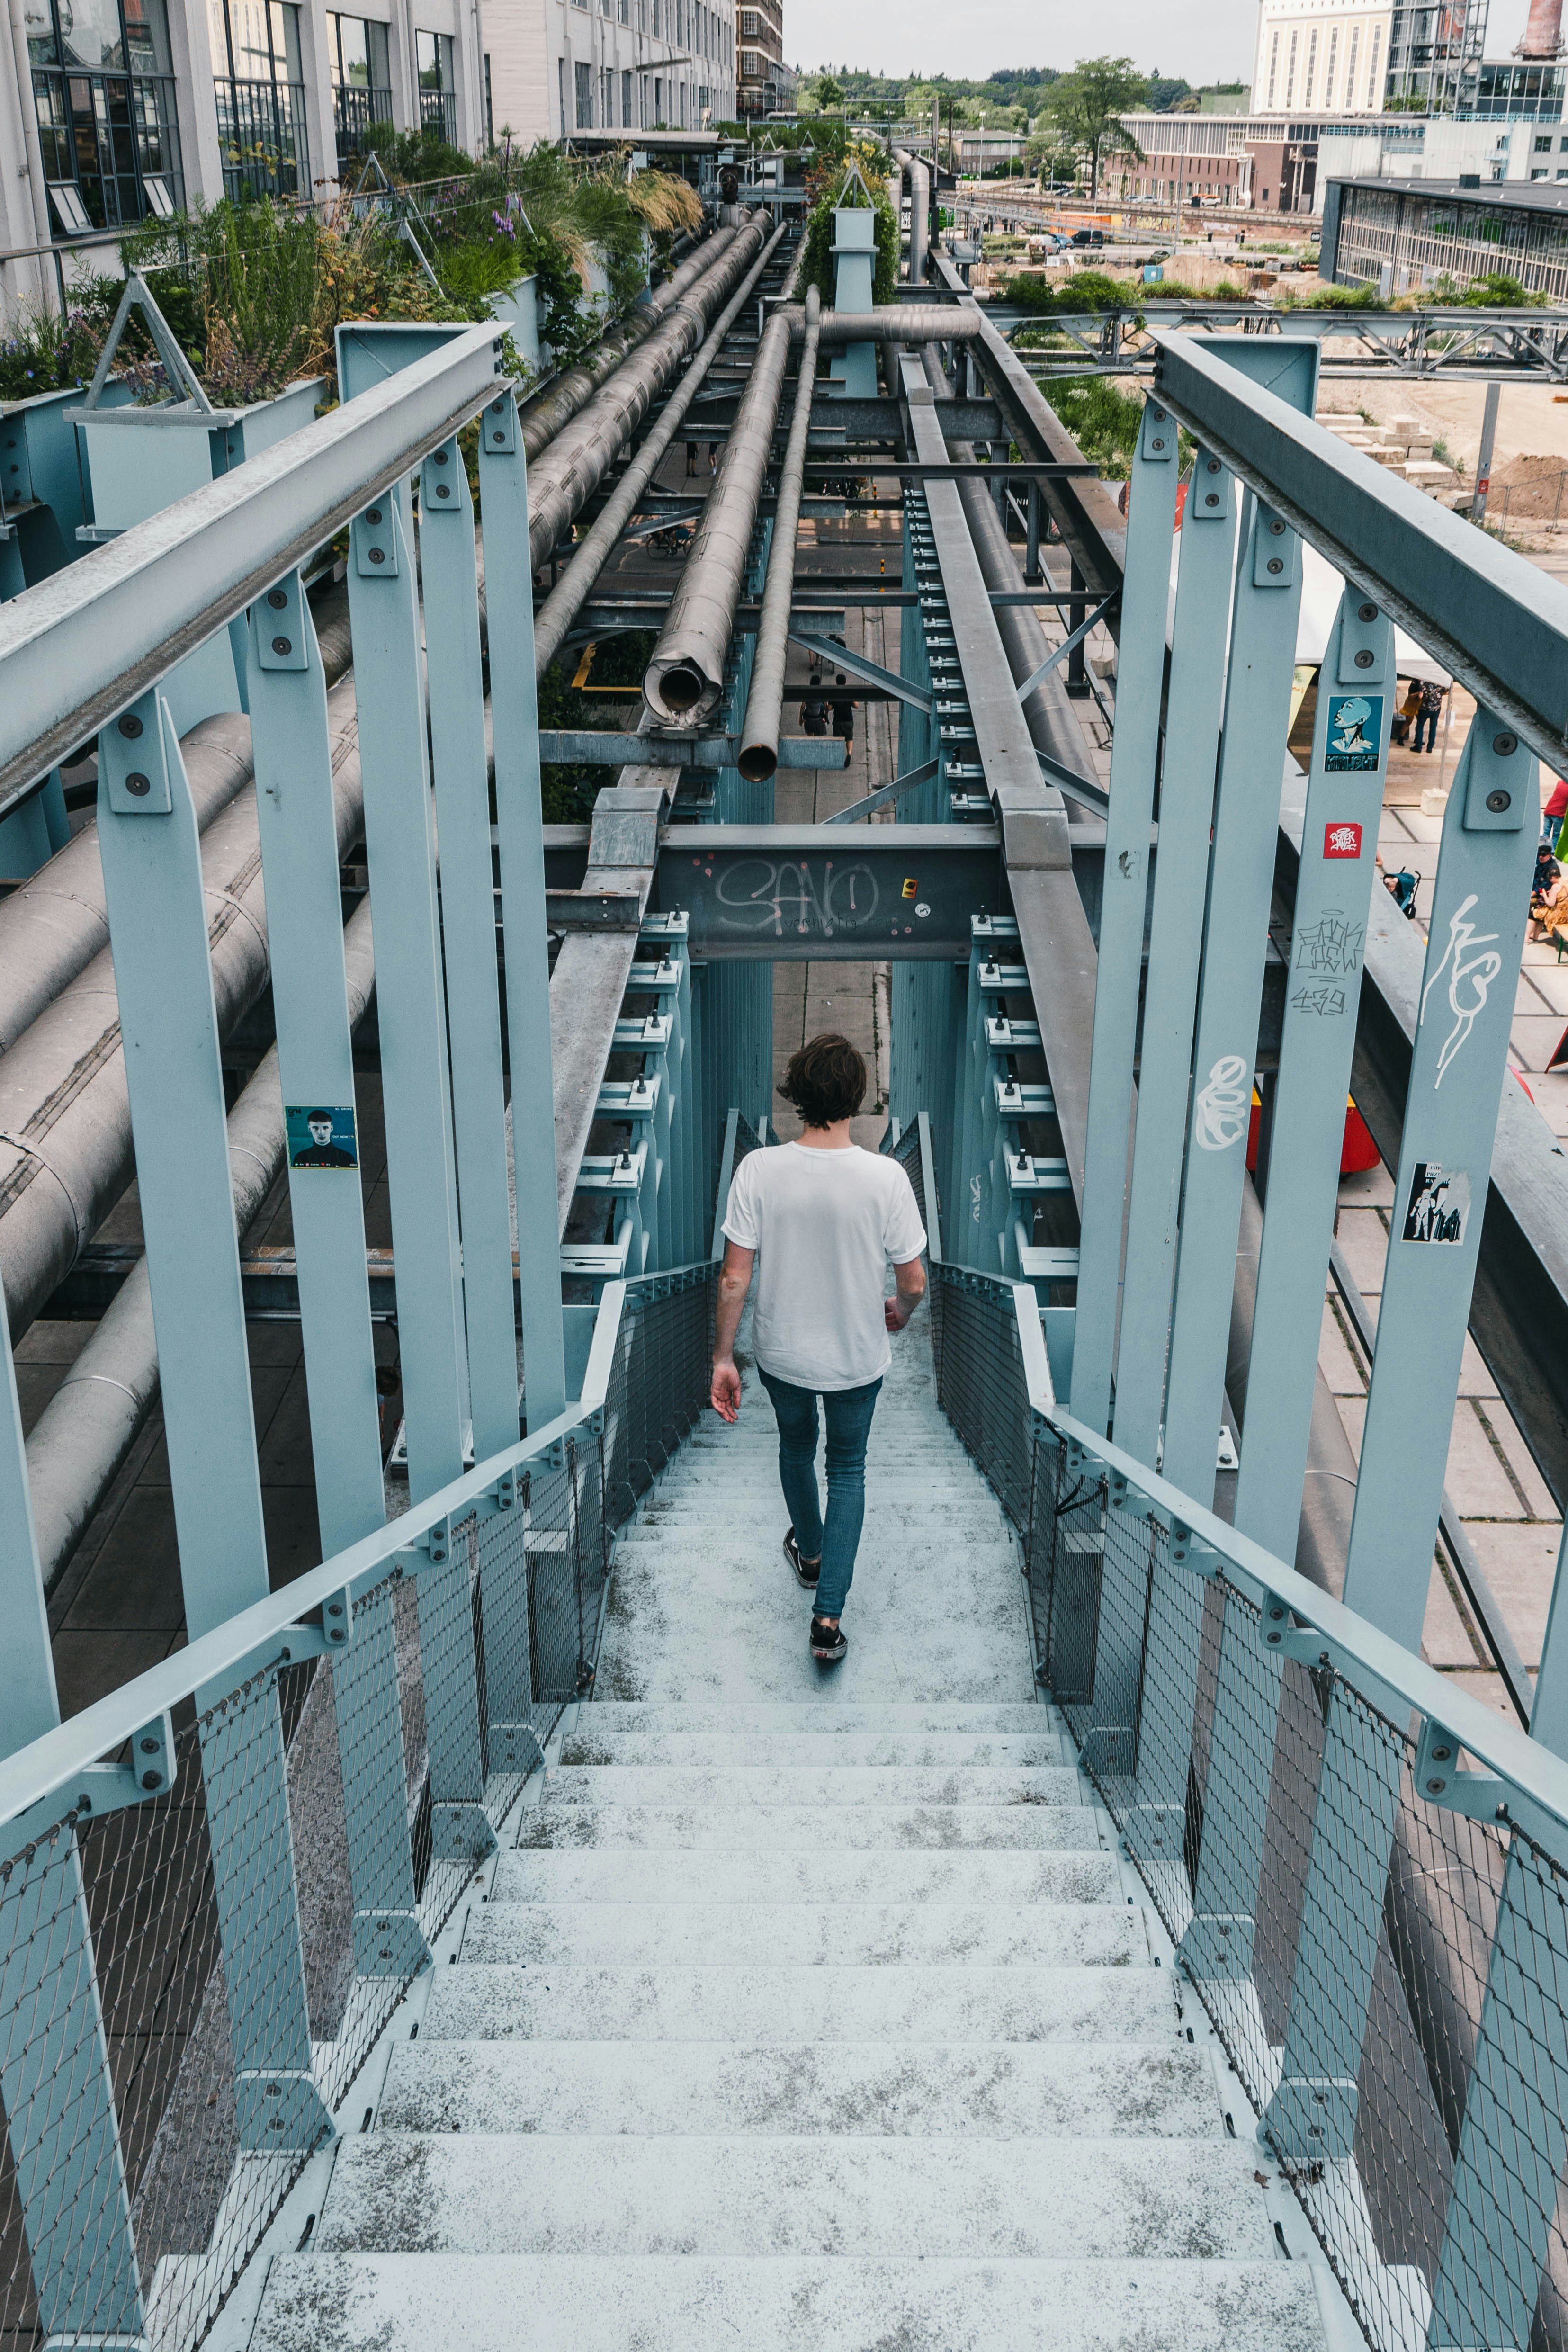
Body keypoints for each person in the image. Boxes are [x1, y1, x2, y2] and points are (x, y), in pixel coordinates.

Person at [711, 1034, 927, 1665]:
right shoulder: (884, 1177)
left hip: (782, 1355)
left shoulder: (759, 1170)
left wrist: (724, 1356)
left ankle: (808, 1554)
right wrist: (901, 1309)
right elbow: (913, 1279)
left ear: (797, 1095)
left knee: (796, 1447)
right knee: (848, 1468)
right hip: (857, 1357)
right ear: (855, 1099)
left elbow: (733, 1277)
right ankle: (826, 1618)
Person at [1530, 855, 1568, 946]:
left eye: (1551, 879)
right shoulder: (1566, 883)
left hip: (1558, 916)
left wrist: (1544, 894)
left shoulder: (1556, 886)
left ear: (1554, 877)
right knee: (1541, 913)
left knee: (1536, 913)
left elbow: (1550, 904)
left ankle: (1529, 937)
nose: (1551, 881)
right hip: (1566, 914)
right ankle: (1534, 936)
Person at [1413, 677, 1446, 754]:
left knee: (1420, 726)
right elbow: (1447, 692)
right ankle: (1430, 748)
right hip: (1436, 709)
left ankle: (1418, 747)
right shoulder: (1441, 682)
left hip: (1425, 708)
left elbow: (1420, 696)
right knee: (1433, 728)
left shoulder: (1424, 682)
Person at [1390, 680, 1421, 747]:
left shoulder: (1424, 684)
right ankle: (1401, 738)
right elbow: (1410, 696)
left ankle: (1418, 738)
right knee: (1408, 722)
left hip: (1419, 705)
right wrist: (1418, 694)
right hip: (1411, 705)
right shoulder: (1414, 684)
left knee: (1420, 723)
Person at [1544, 774, 1568, 845]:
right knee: (1556, 836)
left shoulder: (1560, 783)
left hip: (1548, 810)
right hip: (1558, 815)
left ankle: (1543, 851)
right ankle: (1552, 852)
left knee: (1546, 834)